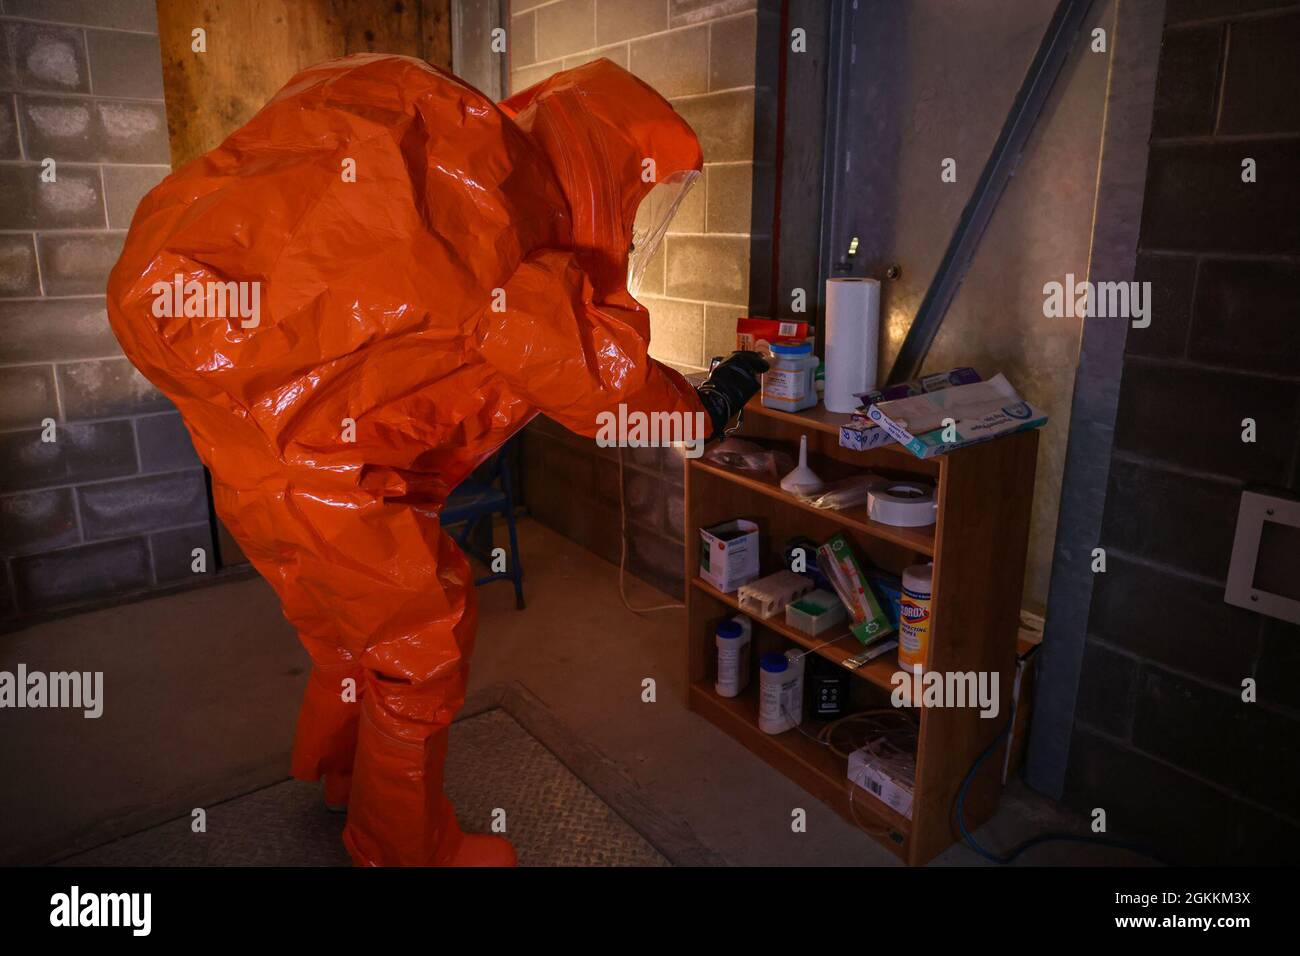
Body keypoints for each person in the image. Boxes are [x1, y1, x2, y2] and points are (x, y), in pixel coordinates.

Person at [108, 54, 766, 866]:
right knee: (422, 651)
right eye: (641, 191)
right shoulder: (515, 235)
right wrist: (703, 407)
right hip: (335, 483)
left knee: (348, 636)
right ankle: (402, 849)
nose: (636, 217)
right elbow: (602, 389)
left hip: (257, 458)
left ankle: (343, 773)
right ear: (605, 169)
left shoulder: (454, 171)